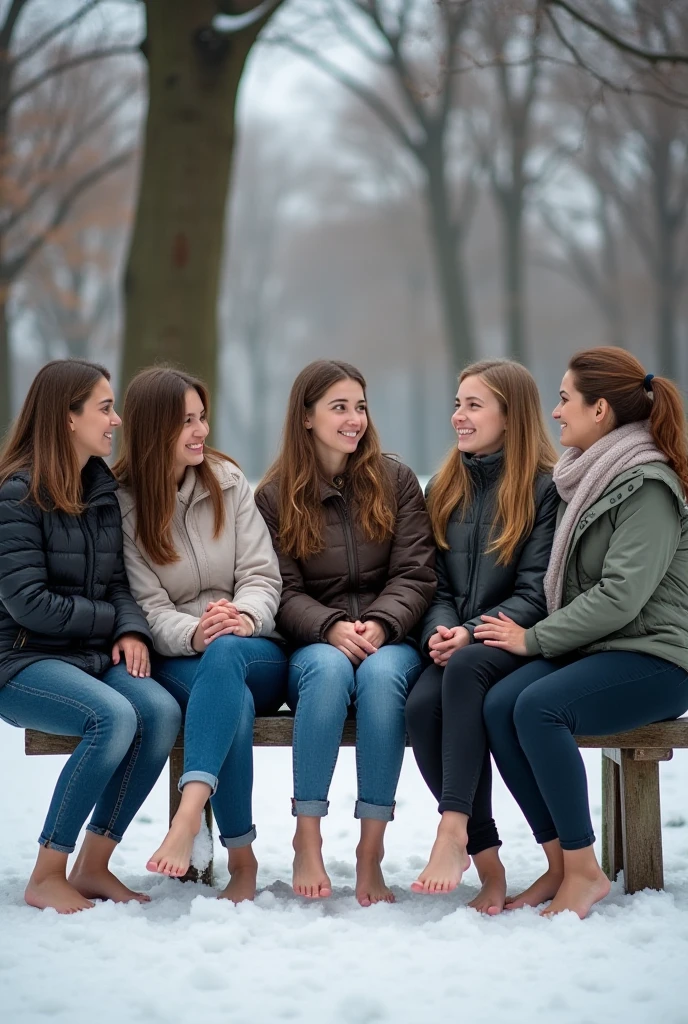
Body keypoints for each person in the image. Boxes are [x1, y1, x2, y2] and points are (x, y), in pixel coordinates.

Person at [479, 346, 688, 919]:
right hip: (602, 649)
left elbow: (622, 595)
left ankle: (584, 867)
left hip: (658, 659)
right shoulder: (593, 477)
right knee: (500, 704)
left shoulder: (647, 485)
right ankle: (560, 861)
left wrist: (533, 639)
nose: (554, 412)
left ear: (601, 411)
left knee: (540, 708)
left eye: (565, 398)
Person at [0, 359, 181, 914]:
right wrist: (111, 624)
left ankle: (94, 864)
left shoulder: (100, 490)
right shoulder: (16, 495)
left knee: (161, 711)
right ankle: (48, 872)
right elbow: (28, 604)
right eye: (104, 408)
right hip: (24, 662)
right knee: (115, 716)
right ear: (67, 417)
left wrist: (130, 627)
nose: (117, 419)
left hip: (89, 657)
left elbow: (120, 583)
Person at [255, 359, 436, 906]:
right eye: (339, 407)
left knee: (383, 680)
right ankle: (306, 837)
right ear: (306, 417)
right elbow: (278, 589)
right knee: (329, 672)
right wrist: (329, 627)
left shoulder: (397, 480)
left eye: (360, 406)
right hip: (314, 646)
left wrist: (381, 624)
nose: (354, 419)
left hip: (391, 638)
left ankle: (370, 851)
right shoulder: (275, 496)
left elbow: (416, 571)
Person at [114, 367, 285, 903]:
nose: (200, 431)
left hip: (254, 648)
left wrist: (242, 618)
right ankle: (243, 857)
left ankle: (190, 813)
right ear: (152, 429)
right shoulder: (122, 504)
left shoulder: (230, 483)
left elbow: (261, 575)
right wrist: (195, 632)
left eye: (202, 417)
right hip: (182, 656)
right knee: (225, 697)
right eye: (186, 421)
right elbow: (146, 604)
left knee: (230, 660)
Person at [404, 359, 558, 911]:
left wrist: (470, 635)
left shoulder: (545, 490)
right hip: (458, 643)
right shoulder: (444, 484)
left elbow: (537, 590)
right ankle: (488, 863)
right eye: (456, 403)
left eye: (473, 405)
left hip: (518, 642)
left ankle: (452, 831)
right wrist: (444, 629)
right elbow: (432, 580)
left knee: (466, 674)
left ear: (510, 417)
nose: (458, 417)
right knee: (423, 707)